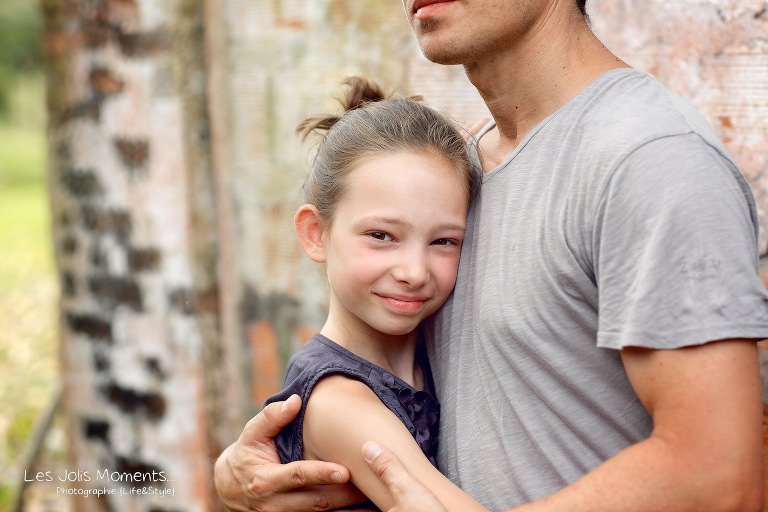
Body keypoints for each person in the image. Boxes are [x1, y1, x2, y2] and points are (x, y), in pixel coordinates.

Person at [214, 1, 768, 510]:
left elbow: (721, 473)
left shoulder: (649, 159)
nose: (413, 268)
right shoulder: (456, 173)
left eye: (440, 244)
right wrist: (245, 470)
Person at [256, 76, 486, 511]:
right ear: (316, 234)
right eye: (381, 235)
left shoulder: (430, 353)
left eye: (444, 241)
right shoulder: (338, 401)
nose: (414, 272)